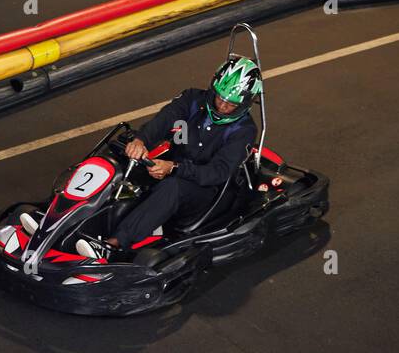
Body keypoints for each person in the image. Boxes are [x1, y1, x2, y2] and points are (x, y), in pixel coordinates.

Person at [75, 56, 262, 259]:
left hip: (208, 191)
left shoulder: (244, 130)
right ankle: (65, 217)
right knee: (119, 164)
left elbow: (217, 172)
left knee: (173, 188)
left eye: (230, 103)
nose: (222, 106)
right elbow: (162, 121)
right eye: (219, 97)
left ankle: (113, 245)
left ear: (245, 103)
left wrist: (174, 168)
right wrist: (140, 141)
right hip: (169, 167)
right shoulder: (192, 99)